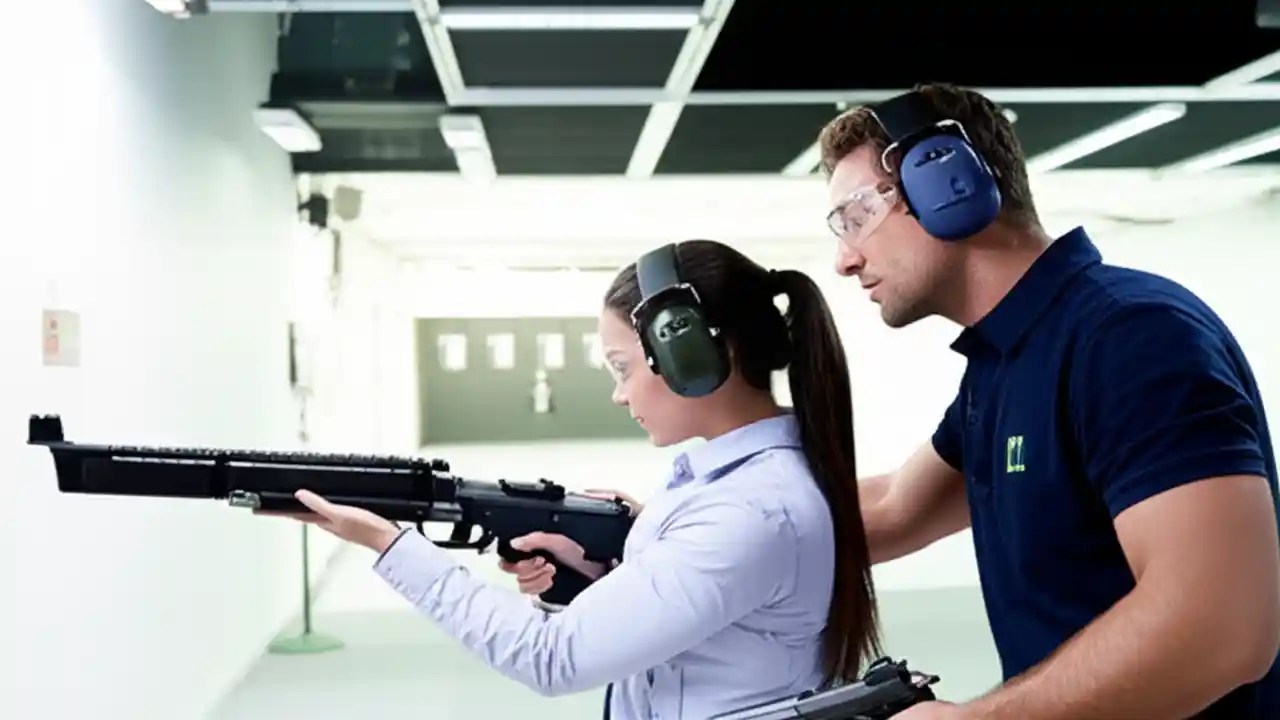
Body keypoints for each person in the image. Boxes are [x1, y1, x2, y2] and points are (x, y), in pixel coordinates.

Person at [814, 82, 1280, 718]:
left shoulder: (1129, 336)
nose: (845, 259)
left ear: (943, 184)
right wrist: (679, 529)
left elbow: (1221, 628)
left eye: (857, 216)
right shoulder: (1002, 362)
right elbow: (895, 508)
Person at [267, 239, 882, 719]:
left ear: (686, 354)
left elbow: (551, 659)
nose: (617, 394)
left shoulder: (749, 510)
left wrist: (389, 544)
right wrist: (601, 581)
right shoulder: (724, 482)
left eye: (621, 367)